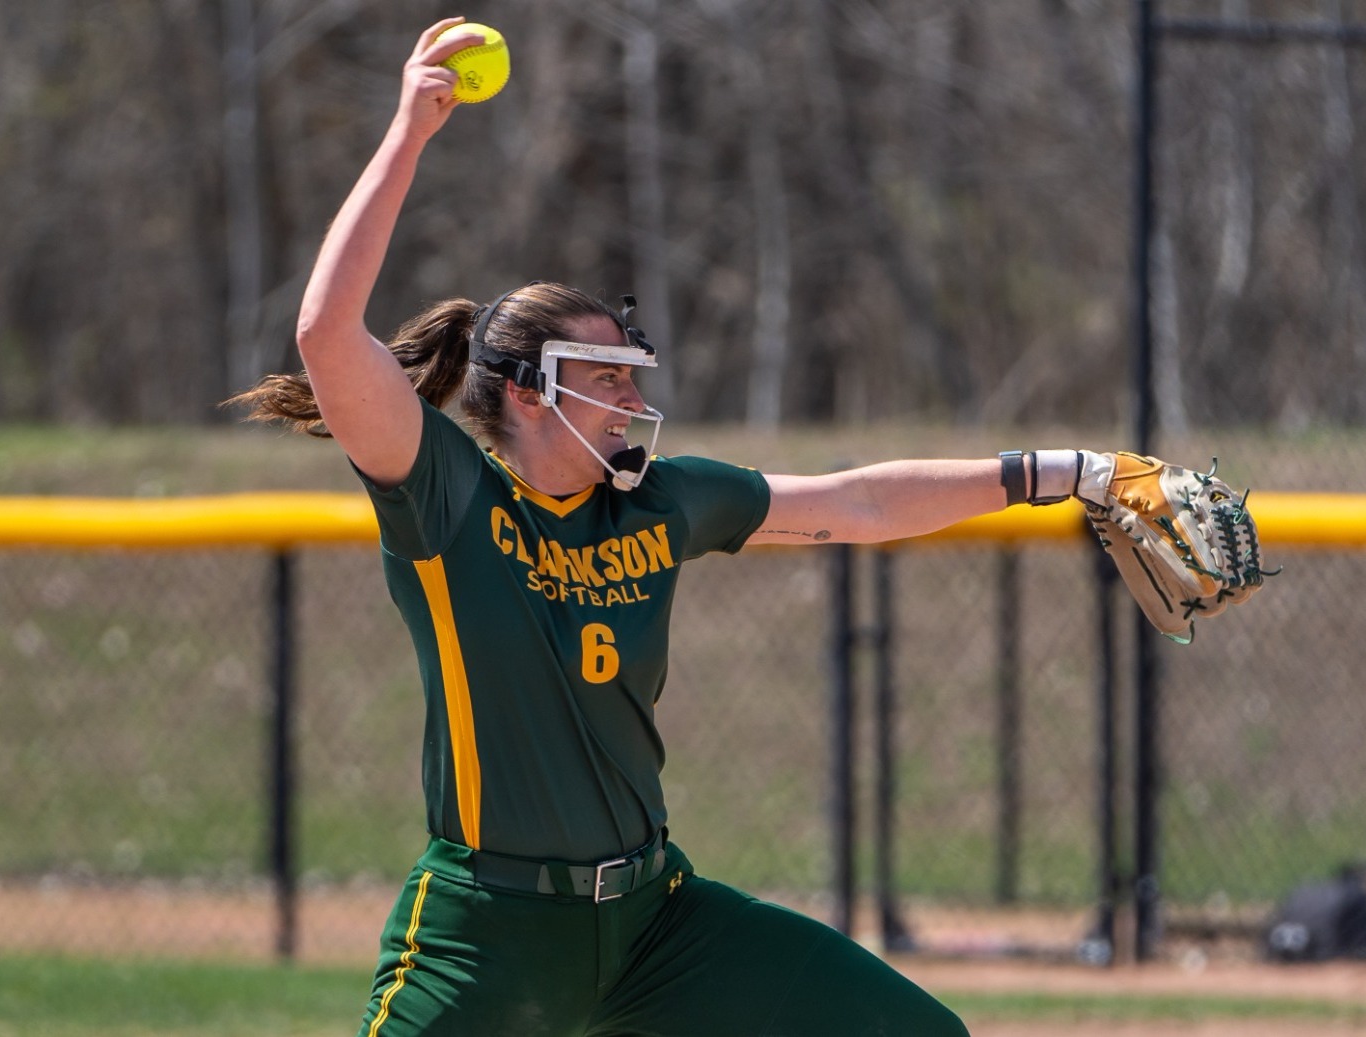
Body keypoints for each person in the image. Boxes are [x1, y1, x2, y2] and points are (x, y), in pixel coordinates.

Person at [232, 19, 1125, 1036]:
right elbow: (323, 335)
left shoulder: (660, 505)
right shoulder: (450, 500)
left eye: (629, 376)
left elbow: (856, 502)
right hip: (492, 928)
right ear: (526, 394)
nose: (627, 397)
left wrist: (1062, 472)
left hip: (658, 922)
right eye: (601, 377)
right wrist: (408, 132)